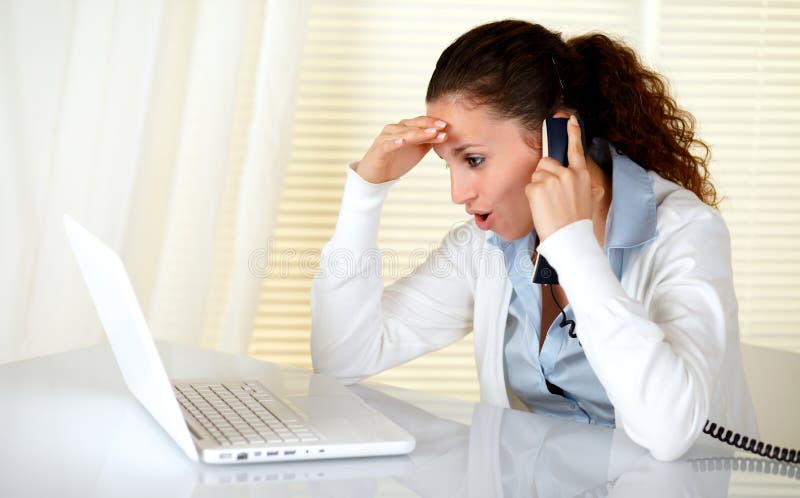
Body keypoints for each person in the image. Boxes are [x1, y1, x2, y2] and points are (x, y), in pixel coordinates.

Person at [309, 19, 758, 461]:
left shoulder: (684, 232)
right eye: (448, 164)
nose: (458, 193)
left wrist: (570, 241)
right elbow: (343, 358)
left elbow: (668, 431)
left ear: (556, 139)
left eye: (475, 159)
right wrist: (366, 193)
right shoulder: (486, 247)